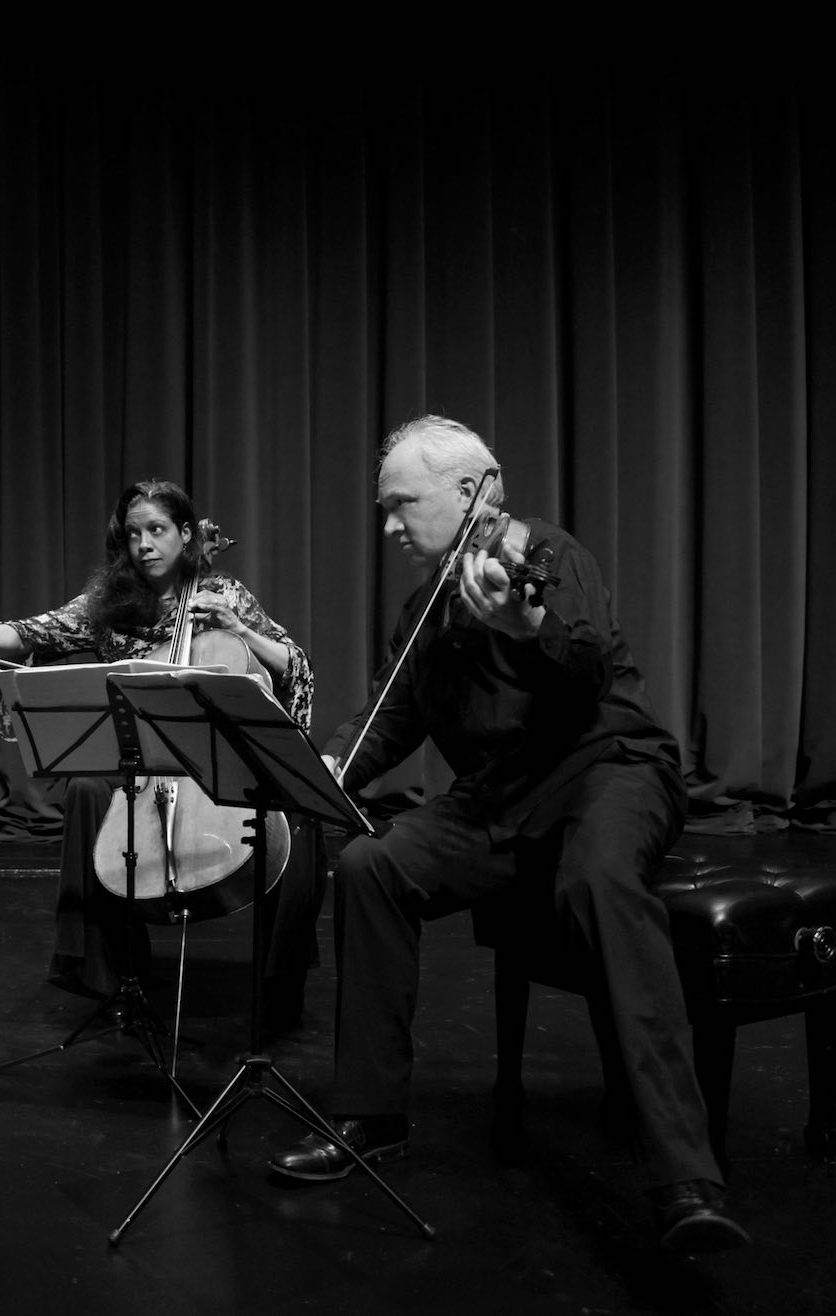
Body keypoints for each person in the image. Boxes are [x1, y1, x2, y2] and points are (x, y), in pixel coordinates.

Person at [267, 416, 747, 1252]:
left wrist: (528, 631)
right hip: (498, 801)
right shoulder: (425, 609)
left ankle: (684, 1180)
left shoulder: (549, 556)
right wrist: (327, 767)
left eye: (401, 504)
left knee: (597, 881)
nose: (388, 526)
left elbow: (590, 665)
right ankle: (370, 1115)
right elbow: (392, 716)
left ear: (471, 491)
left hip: (607, 770)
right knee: (373, 863)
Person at [0, 478, 316, 1006]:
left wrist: (242, 632)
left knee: (296, 810)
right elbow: (33, 631)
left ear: (186, 535)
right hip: (142, 762)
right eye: (135, 533)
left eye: (158, 530)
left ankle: (279, 986)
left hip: (217, 759)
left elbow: (294, 666)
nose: (145, 545)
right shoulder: (109, 602)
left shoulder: (223, 596)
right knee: (89, 786)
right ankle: (101, 968)